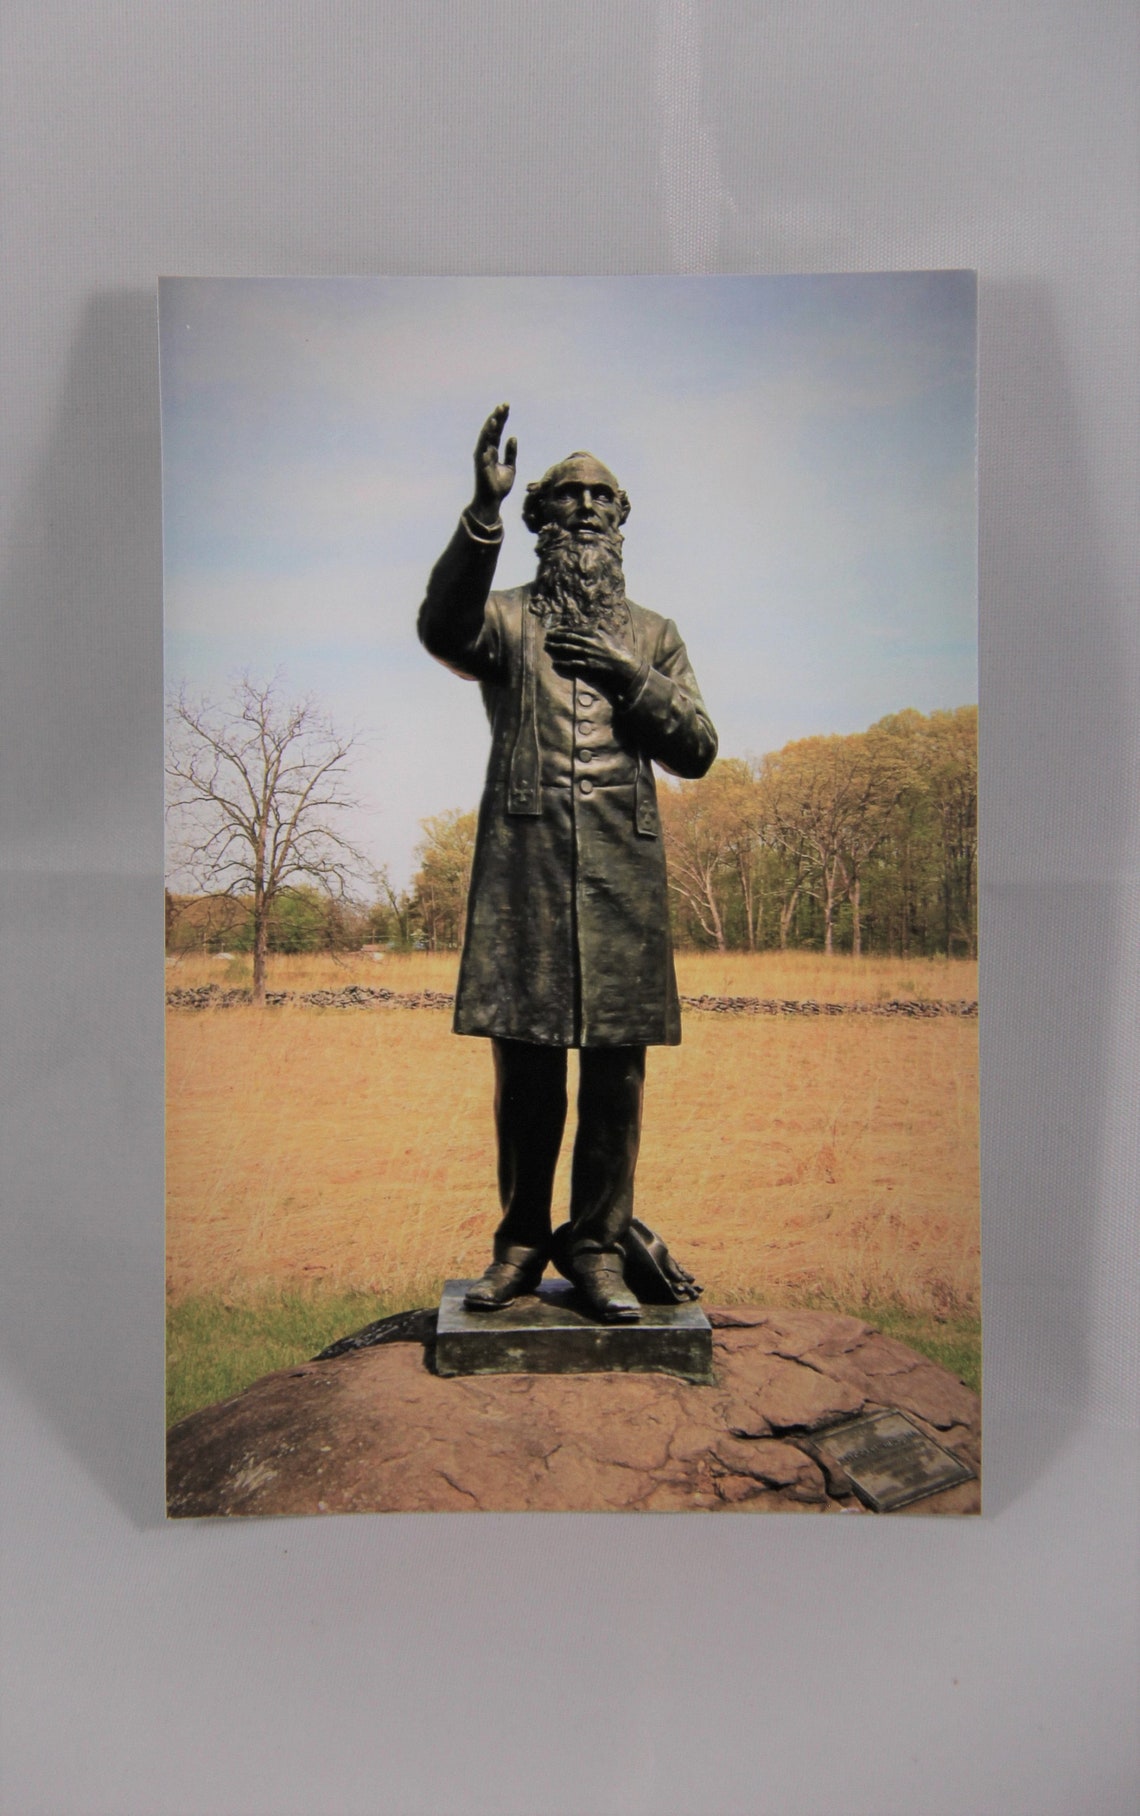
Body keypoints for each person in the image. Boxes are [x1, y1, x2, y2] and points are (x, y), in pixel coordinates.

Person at [418, 404, 718, 1322]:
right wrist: (482, 513)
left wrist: (633, 678)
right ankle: (518, 1243)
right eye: (568, 499)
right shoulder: (505, 622)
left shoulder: (654, 632)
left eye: (603, 501)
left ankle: (595, 1250)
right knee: (528, 1073)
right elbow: (441, 628)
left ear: (619, 523)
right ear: (542, 518)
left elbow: (698, 747)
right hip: (526, 875)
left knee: (617, 1078)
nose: (587, 511)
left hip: (623, 882)